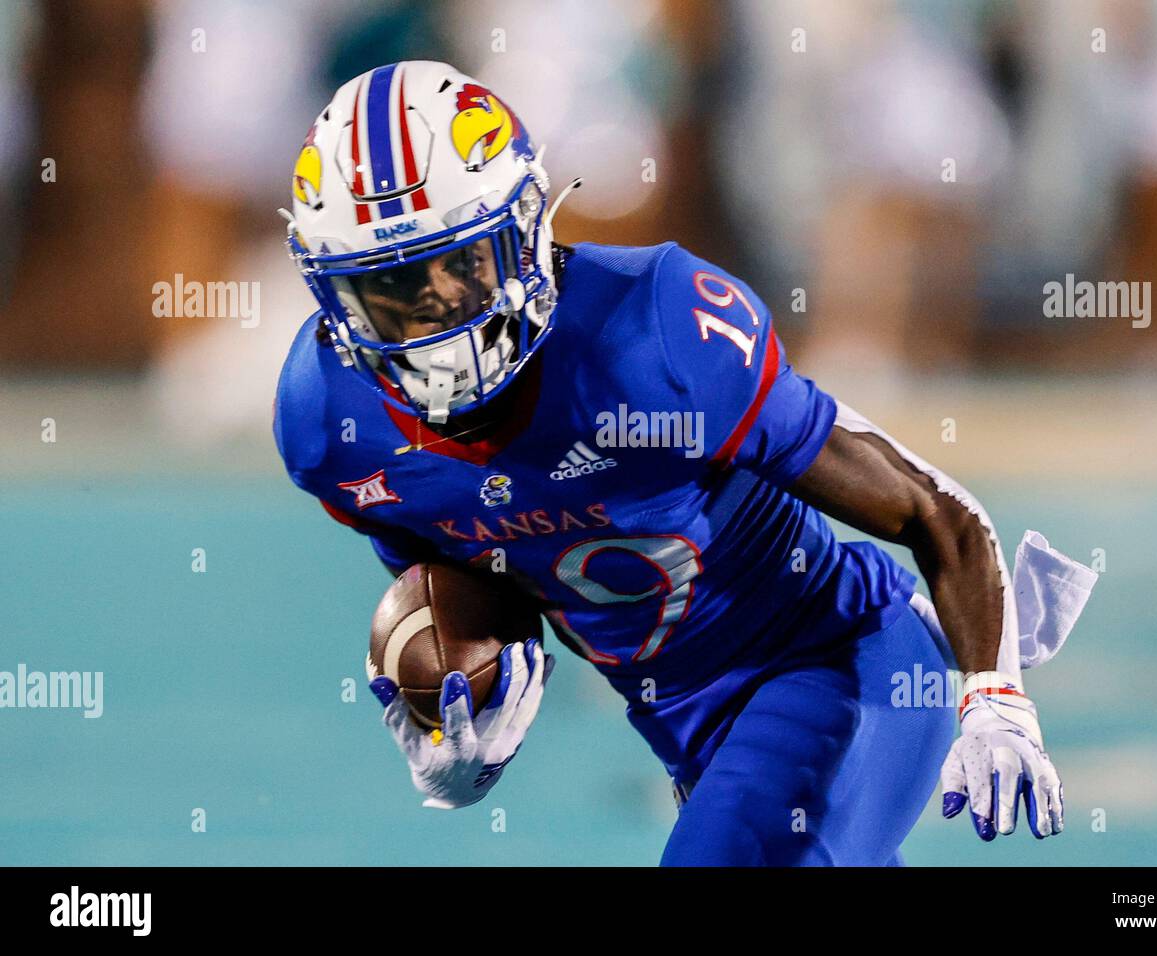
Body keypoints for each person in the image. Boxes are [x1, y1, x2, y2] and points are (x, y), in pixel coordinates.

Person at [273, 61, 1063, 865]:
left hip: (835, 659)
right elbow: (469, 592)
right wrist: (463, 727)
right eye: (396, 285)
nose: (440, 308)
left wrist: (994, 697)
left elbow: (933, 510)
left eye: (461, 264)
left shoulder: (658, 330)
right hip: (684, 730)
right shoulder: (328, 425)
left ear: (525, 232)